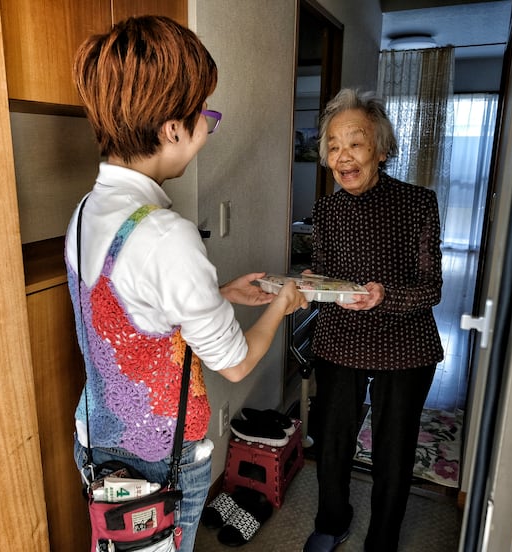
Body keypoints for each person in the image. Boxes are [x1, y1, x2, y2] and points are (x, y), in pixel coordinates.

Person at [64, 15, 307, 552]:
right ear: (173, 129)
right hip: (159, 461)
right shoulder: (165, 235)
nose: (206, 130)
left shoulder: (86, 211)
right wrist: (280, 306)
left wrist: (218, 297)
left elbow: (123, 313)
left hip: (96, 437)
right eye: (206, 118)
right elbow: (237, 362)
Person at [302, 88, 444, 552]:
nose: (344, 156)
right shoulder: (327, 209)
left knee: (394, 448)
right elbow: (327, 273)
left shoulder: (418, 203)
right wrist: (314, 285)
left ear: (381, 150)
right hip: (342, 336)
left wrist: (384, 296)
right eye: (334, 146)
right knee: (332, 438)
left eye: (356, 143)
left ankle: (382, 537)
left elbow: (431, 288)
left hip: (406, 340)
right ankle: (332, 519)